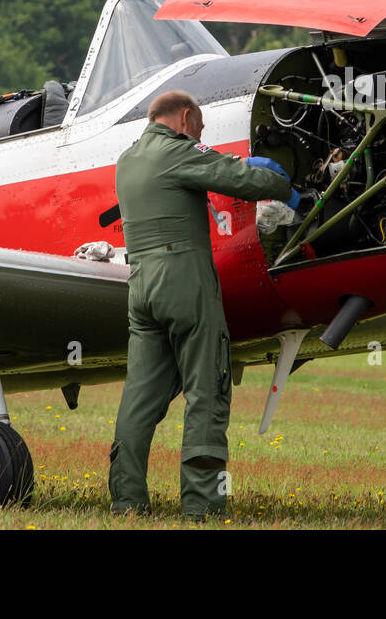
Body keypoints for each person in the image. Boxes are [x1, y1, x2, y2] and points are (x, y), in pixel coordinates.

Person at [108, 89, 297, 520]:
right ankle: (201, 505)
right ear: (186, 117)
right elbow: (244, 181)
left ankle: (127, 500)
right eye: (199, 127)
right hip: (184, 281)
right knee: (207, 390)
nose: (200, 133)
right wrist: (281, 182)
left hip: (142, 288)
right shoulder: (179, 151)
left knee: (139, 398)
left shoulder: (127, 160)